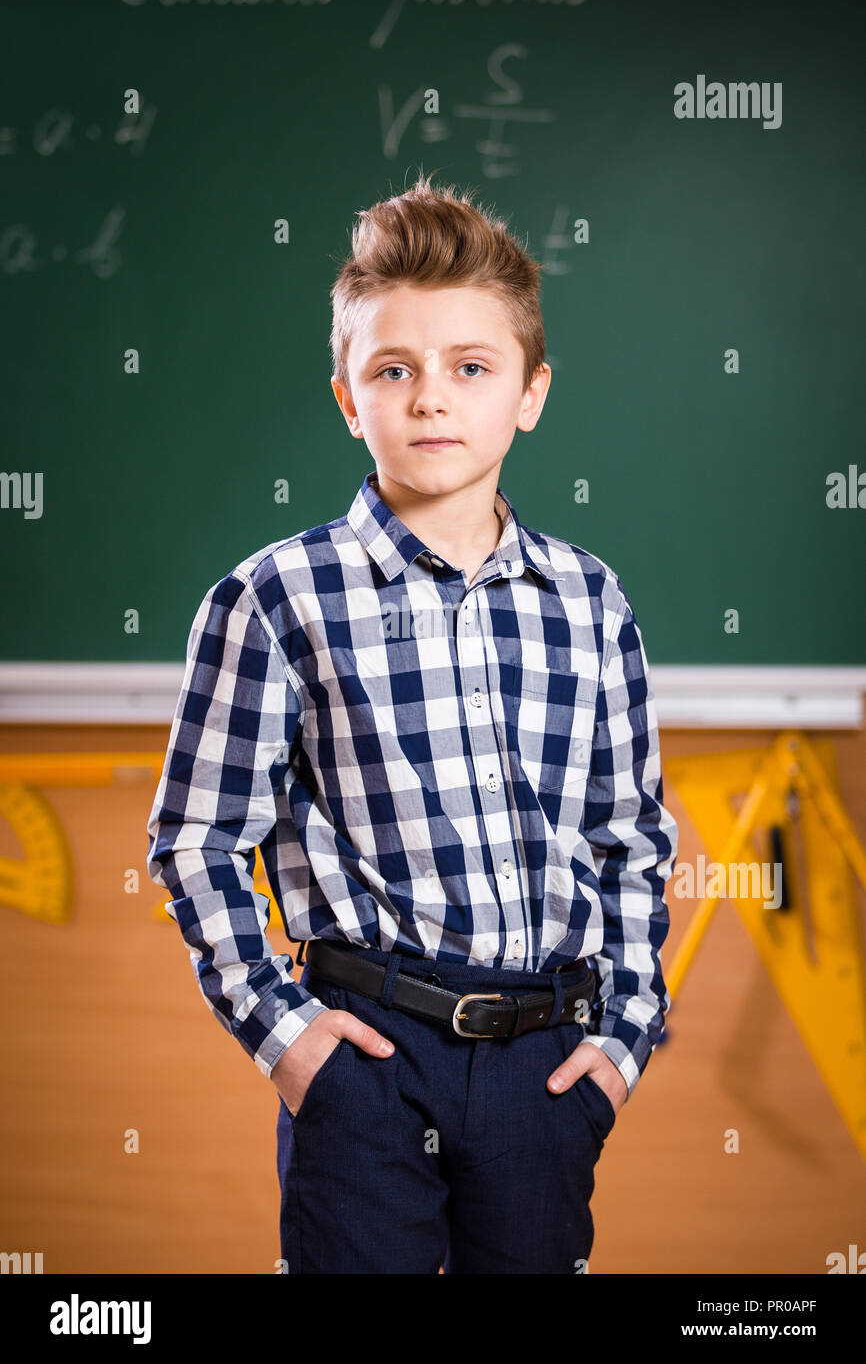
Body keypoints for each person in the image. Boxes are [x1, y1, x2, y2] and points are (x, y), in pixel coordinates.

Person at [146, 170, 679, 1275]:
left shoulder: (590, 601)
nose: (430, 397)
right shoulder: (274, 599)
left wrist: (622, 1039)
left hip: (545, 1066)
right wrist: (285, 1036)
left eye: (469, 368)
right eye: (392, 369)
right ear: (348, 398)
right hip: (367, 1061)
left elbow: (628, 839)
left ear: (530, 391)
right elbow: (194, 840)